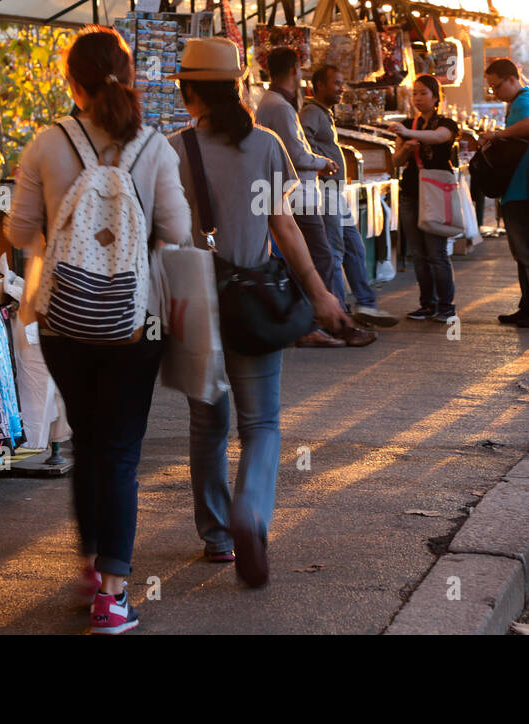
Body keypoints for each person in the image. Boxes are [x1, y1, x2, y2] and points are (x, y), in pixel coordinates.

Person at [4, 26, 191, 634]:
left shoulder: (47, 144)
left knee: (88, 440)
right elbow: (179, 232)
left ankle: (91, 563)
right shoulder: (156, 147)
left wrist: (68, 251)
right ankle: (113, 595)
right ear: (129, 77)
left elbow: (17, 232)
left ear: (71, 81)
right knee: (120, 451)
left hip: (62, 319)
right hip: (136, 322)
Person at [170, 37, 347, 587]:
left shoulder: (173, 149)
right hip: (254, 301)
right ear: (237, 88)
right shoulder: (268, 145)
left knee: (208, 423)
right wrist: (319, 293)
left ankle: (218, 537)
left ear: (187, 91)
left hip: (195, 304)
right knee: (262, 423)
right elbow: (284, 227)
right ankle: (251, 513)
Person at [255, 47, 373, 347]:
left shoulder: (275, 103)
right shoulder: (281, 107)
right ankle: (330, 321)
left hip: (290, 192)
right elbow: (295, 152)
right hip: (298, 194)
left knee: (314, 255)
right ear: (296, 70)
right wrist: (323, 162)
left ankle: (317, 320)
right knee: (321, 255)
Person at [300, 63, 398, 327]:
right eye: (336, 83)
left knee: (353, 246)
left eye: (342, 83)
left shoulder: (324, 113)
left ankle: (365, 303)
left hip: (335, 191)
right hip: (326, 190)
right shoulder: (311, 112)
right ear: (319, 85)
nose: (341, 88)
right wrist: (320, 163)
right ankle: (337, 310)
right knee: (334, 250)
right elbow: (301, 142)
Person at [482, 59, 529, 328]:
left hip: (525, 189)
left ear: (511, 79)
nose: (494, 93)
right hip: (516, 190)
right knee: (522, 253)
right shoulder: (519, 100)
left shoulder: (525, 99)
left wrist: (497, 134)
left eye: (496, 86)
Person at [392, 74, 460, 322]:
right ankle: (427, 304)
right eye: (415, 93)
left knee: (436, 252)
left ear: (435, 97)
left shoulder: (447, 124)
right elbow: (396, 161)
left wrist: (409, 134)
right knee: (418, 255)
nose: (418, 98)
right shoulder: (408, 123)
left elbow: (439, 137)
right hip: (411, 193)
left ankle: (446, 306)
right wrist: (406, 148)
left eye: (423, 93)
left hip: (436, 194)